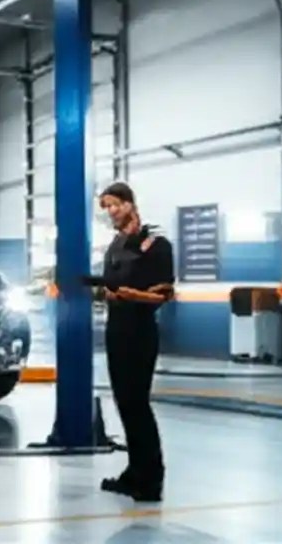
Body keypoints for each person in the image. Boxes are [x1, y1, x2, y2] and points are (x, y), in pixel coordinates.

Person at [94, 181, 174, 502]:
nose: (111, 212)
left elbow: (164, 293)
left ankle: (152, 477)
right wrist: (107, 292)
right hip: (117, 329)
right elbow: (110, 284)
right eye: (106, 207)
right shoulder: (116, 245)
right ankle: (134, 471)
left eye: (115, 205)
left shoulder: (156, 244)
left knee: (138, 403)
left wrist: (133, 295)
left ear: (129, 203)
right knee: (124, 403)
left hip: (141, 331)